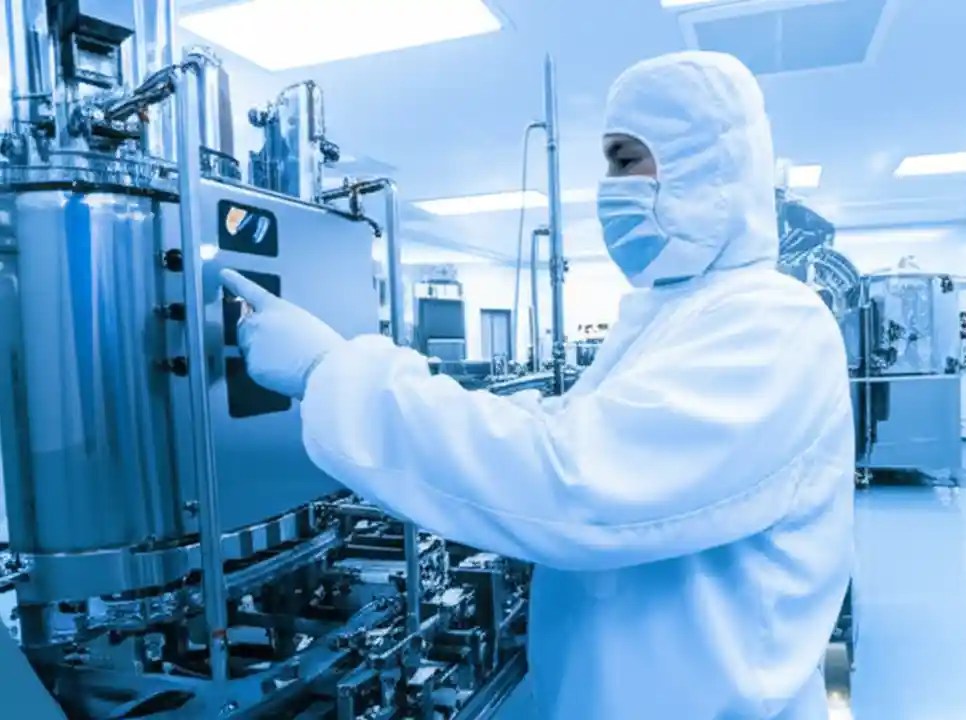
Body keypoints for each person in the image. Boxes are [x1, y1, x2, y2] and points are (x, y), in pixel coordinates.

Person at [222, 51, 854, 720]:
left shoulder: (771, 322)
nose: (610, 188)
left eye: (625, 159)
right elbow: (571, 423)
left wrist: (331, 373)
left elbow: (576, 479)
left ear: (708, 166)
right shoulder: (673, 316)